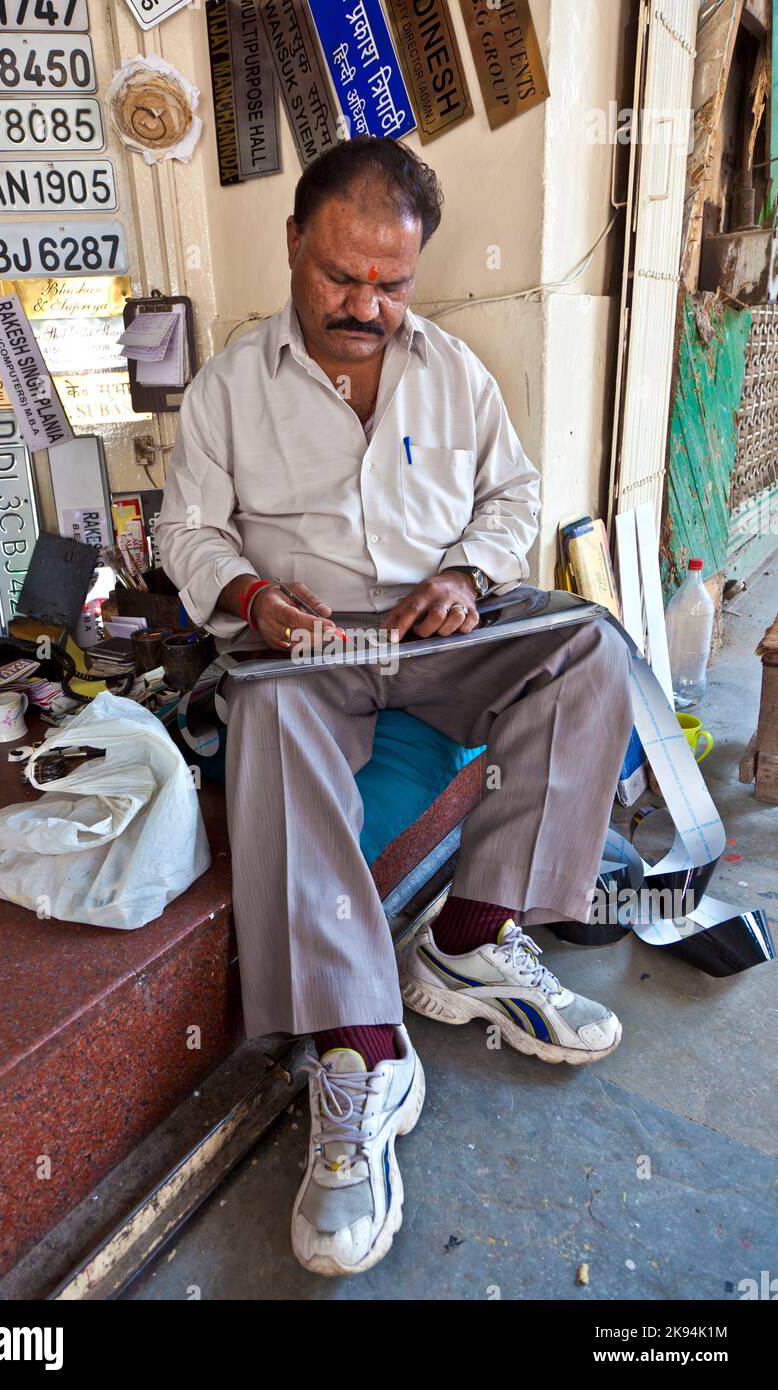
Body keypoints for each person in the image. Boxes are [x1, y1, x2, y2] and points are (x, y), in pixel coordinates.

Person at [158, 136, 633, 1279]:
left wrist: (466, 574)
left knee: (587, 646)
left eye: (390, 283)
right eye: (339, 277)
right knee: (265, 719)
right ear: (292, 246)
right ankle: (359, 1049)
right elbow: (184, 531)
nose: (365, 305)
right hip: (306, 650)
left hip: (431, 638)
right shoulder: (228, 385)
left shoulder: (451, 372)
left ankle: (469, 939)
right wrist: (255, 598)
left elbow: (512, 494)